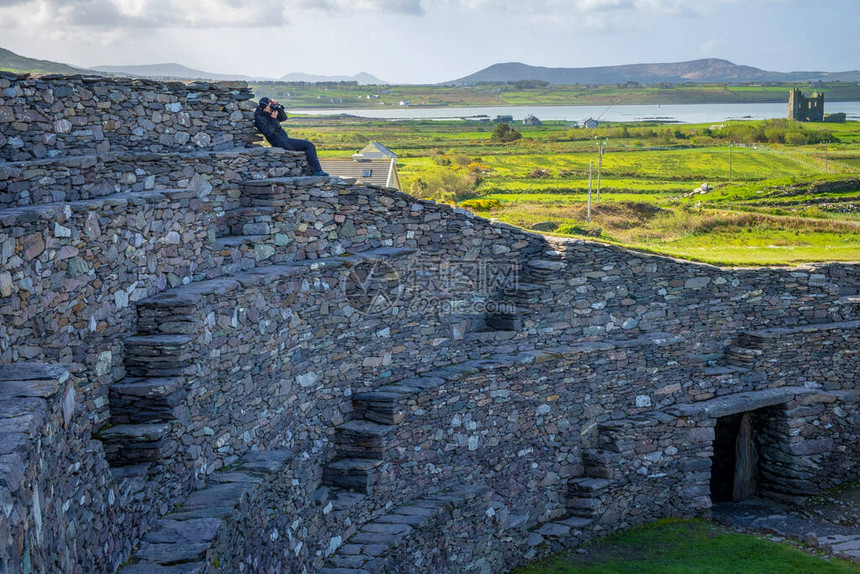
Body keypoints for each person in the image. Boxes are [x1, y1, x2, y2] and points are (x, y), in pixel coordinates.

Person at [254, 97, 328, 177]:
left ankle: (316, 170)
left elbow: (284, 118)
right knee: (309, 145)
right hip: (280, 142)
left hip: (284, 140)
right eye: (270, 105)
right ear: (263, 107)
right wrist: (273, 119)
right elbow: (268, 133)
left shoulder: (269, 113)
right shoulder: (260, 118)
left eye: (271, 105)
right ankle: (317, 171)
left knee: (308, 145)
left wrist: (278, 108)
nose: (271, 107)